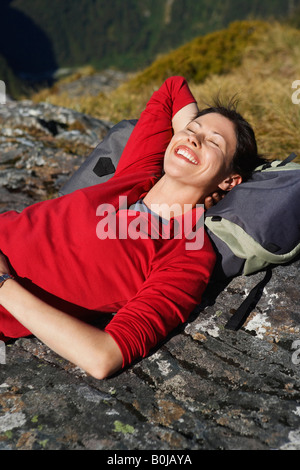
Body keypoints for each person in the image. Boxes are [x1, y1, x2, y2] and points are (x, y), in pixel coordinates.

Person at [0, 76, 263, 379]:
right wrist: (188, 144)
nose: (195, 138)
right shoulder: (137, 174)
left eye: (214, 142)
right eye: (193, 130)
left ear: (230, 180)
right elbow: (172, 88)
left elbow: (103, 357)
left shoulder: (187, 254)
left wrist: (4, 286)